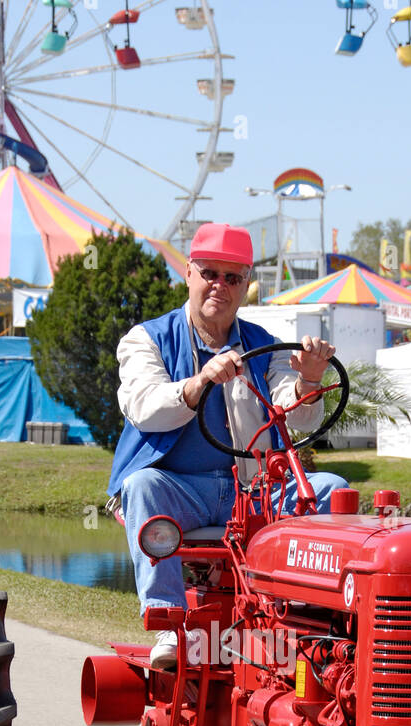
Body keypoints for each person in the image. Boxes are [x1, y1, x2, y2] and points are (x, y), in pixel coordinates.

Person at [109, 222, 348, 669]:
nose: (220, 286)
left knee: (333, 489)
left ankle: (316, 618)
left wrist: (310, 379)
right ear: (188, 273)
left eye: (232, 277)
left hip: (252, 493)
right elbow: (145, 407)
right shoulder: (146, 339)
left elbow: (293, 416)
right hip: (182, 489)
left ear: (245, 284)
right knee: (142, 485)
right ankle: (168, 622)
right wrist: (200, 381)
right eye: (210, 274)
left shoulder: (264, 345)